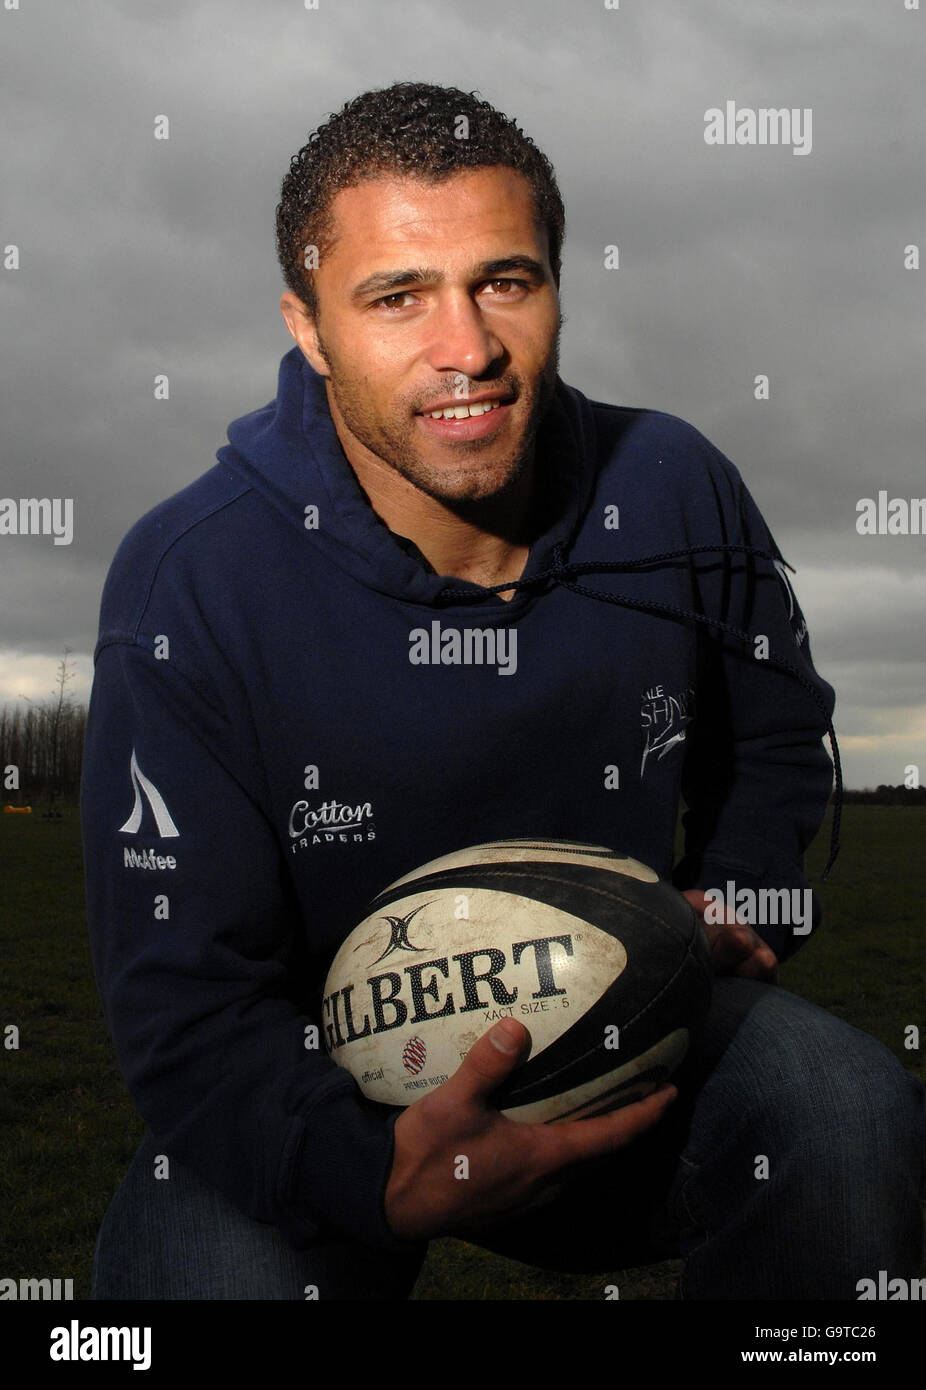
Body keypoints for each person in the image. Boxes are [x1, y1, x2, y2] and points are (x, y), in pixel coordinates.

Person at [81, 81, 925, 1300]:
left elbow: (778, 732)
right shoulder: (188, 581)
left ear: (555, 288)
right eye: (396, 296)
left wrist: (738, 899)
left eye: (505, 281)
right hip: (317, 1081)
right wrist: (362, 1169)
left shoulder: (675, 483)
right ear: (308, 327)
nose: (465, 347)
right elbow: (181, 990)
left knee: (845, 1114)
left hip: (632, 1027)